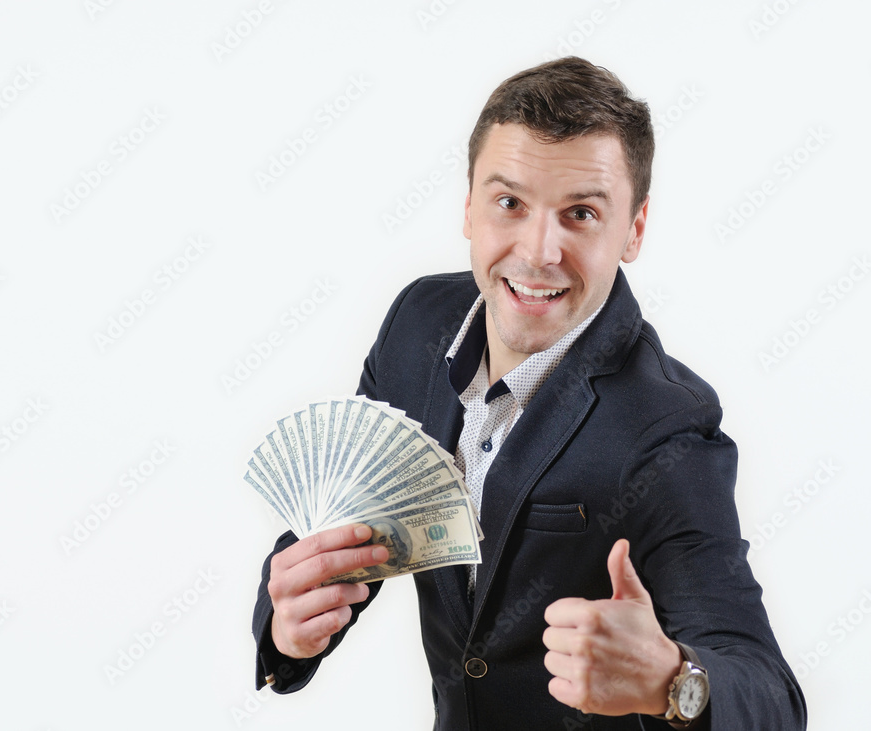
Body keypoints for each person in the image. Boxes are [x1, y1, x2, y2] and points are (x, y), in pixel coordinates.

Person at [251, 56, 807, 730]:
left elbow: (774, 698)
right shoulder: (415, 325)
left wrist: (673, 678)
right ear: (468, 206)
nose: (539, 251)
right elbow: (346, 519)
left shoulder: (669, 428)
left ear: (634, 229)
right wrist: (286, 623)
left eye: (581, 213)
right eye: (510, 203)